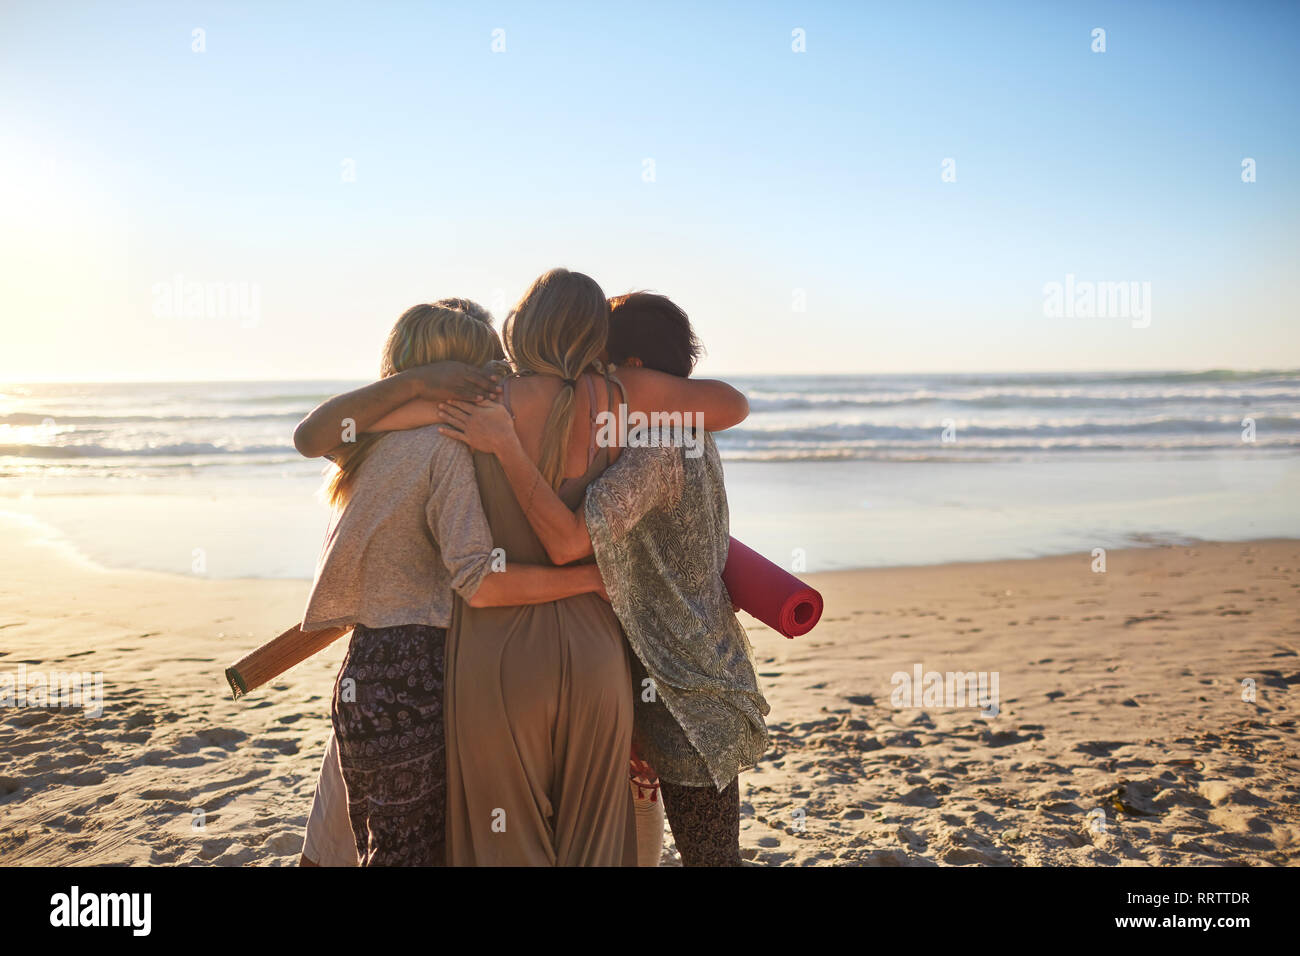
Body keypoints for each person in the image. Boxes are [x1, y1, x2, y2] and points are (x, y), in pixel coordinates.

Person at [435, 291, 769, 866]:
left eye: (601, 361)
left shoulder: (658, 443)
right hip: (676, 670)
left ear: (632, 367)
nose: (590, 375)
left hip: (682, 687)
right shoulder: (685, 422)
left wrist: (506, 445)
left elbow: (567, 543)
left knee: (709, 858)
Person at [296, 299, 607, 866]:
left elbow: (311, 433)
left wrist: (417, 386)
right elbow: (479, 581)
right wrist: (589, 579)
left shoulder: (367, 442)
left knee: (369, 844)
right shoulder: (447, 447)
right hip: (421, 673)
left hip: (365, 669)